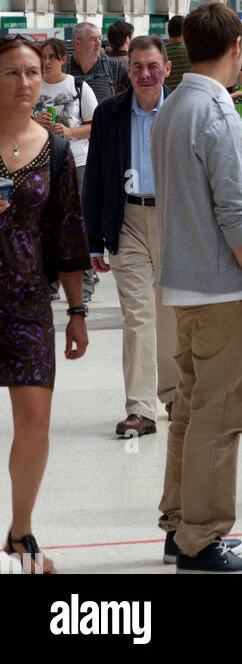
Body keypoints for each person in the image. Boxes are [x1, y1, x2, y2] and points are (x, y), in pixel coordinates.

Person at [152, 3, 242, 574]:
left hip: (180, 284)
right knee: (220, 416)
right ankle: (201, 539)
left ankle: (179, 524)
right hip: (220, 288)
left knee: (189, 411)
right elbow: (235, 211)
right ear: (236, 48)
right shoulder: (219, 112)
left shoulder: (171, 106)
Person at [0, 35, 90, 574]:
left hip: (30, 303)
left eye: (32, 72)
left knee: (35, 422)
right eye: (11, 72)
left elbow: (67, 236)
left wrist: (77, 311)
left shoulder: (54, 150)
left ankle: (21, 531)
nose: (24, 83)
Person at [82, 35, 177, 437]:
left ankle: (173, 394)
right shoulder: (109, 114)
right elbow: (96, 178)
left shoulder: (181, 110)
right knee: (139, 315)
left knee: (171, 314)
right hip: (127, 220)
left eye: (153, 66)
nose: (145, 74)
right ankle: (140, 408)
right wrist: (92, 241)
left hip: (176, 221)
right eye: (136, 67)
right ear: (128, 70)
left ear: (167, 69)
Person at [35, 39, 98, 303]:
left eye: (52, 57)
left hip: (76, 163)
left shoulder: (79, 87)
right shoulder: (32, 87)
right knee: (44, 224)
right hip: (41, 164)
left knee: (76, 224)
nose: (46, 62)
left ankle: (84, 283)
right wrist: (35, 123)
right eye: (43, 57)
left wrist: (70, 131)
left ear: (63, 59)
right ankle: (49, 283)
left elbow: (95, 125)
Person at [67, 21, 130, 100]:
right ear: (77, 43)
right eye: (93, 39)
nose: (98, 43)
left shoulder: (114, 66)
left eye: (100, 38)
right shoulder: (63, 67)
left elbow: (136, 91)